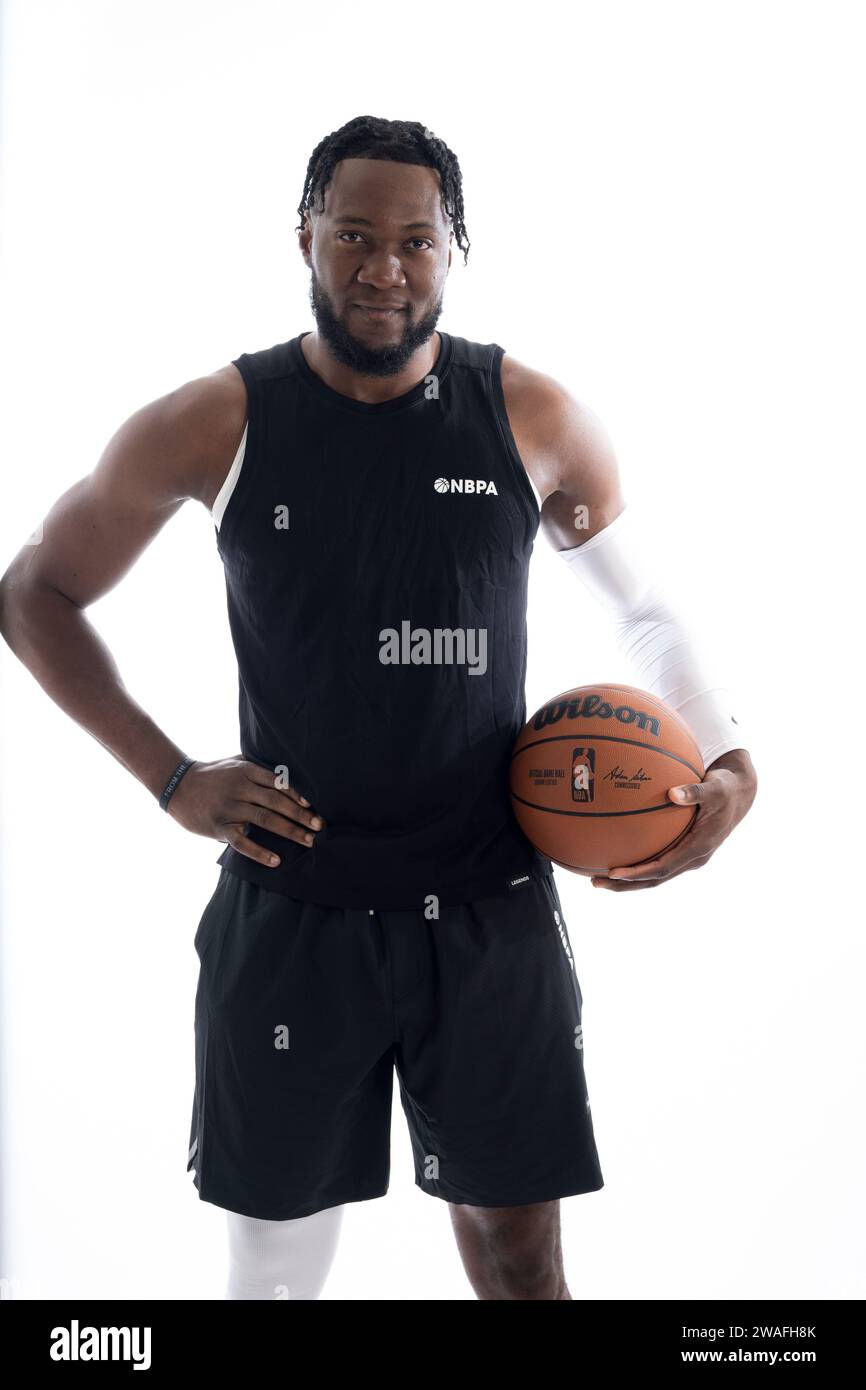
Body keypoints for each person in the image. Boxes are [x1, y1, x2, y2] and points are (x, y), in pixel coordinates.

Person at [0, 116, 757, 1301]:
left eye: (416, 238)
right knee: (277, 1268)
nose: (382, 266)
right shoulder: (217, 419)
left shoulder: (531, 415)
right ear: (304, 234)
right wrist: (169, 775)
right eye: (353, 233)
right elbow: (35, 592)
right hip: (292, 906)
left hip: (487, 909)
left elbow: (645, 611)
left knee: (520, 1259)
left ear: (456, 248)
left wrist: (724, 758)